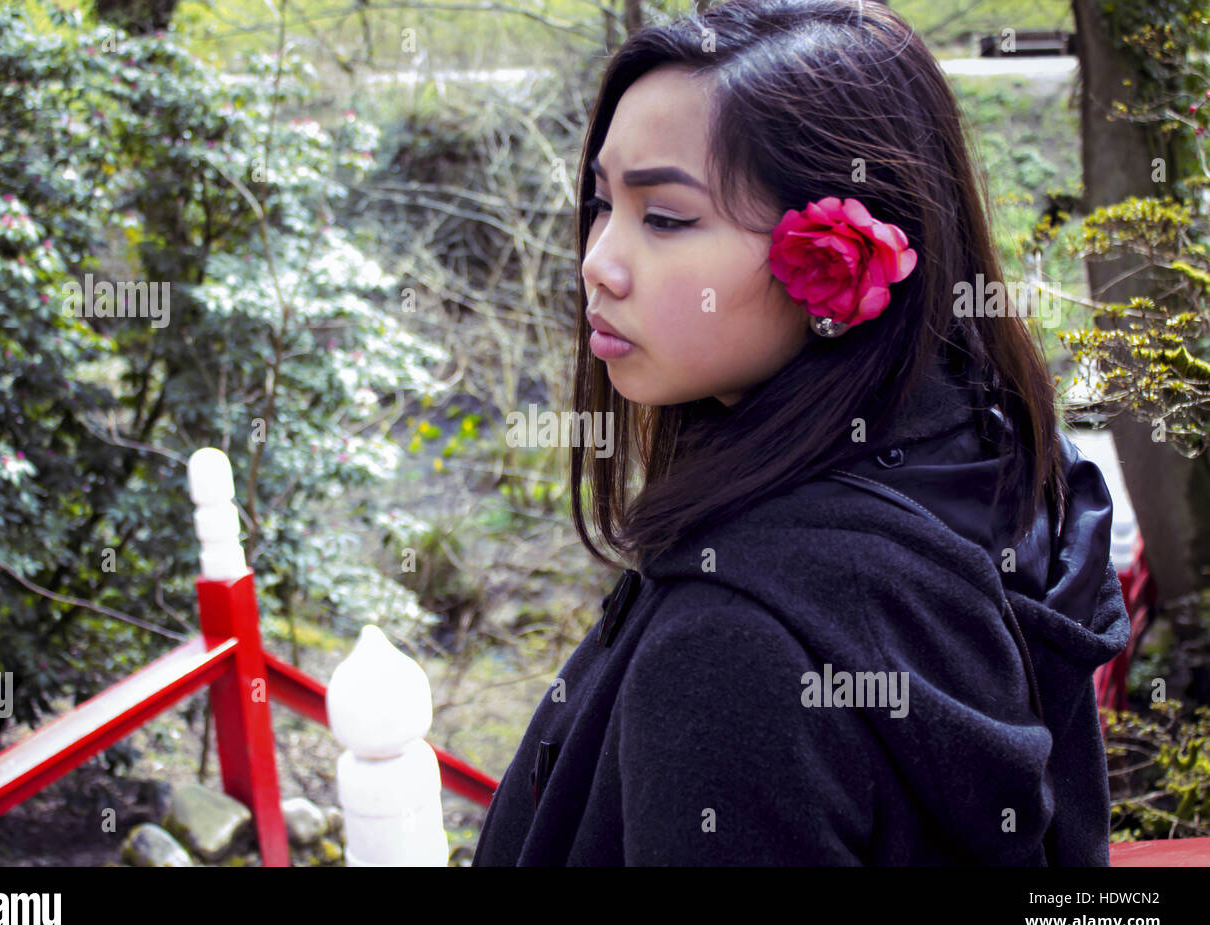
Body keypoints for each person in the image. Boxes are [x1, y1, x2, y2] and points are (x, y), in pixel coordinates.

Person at [472, 0, 1131, 865]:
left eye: (665, 217)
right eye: (599, 202)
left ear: (837, 257)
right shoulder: (1001, 462)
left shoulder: (733, 647)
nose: (598, 260)